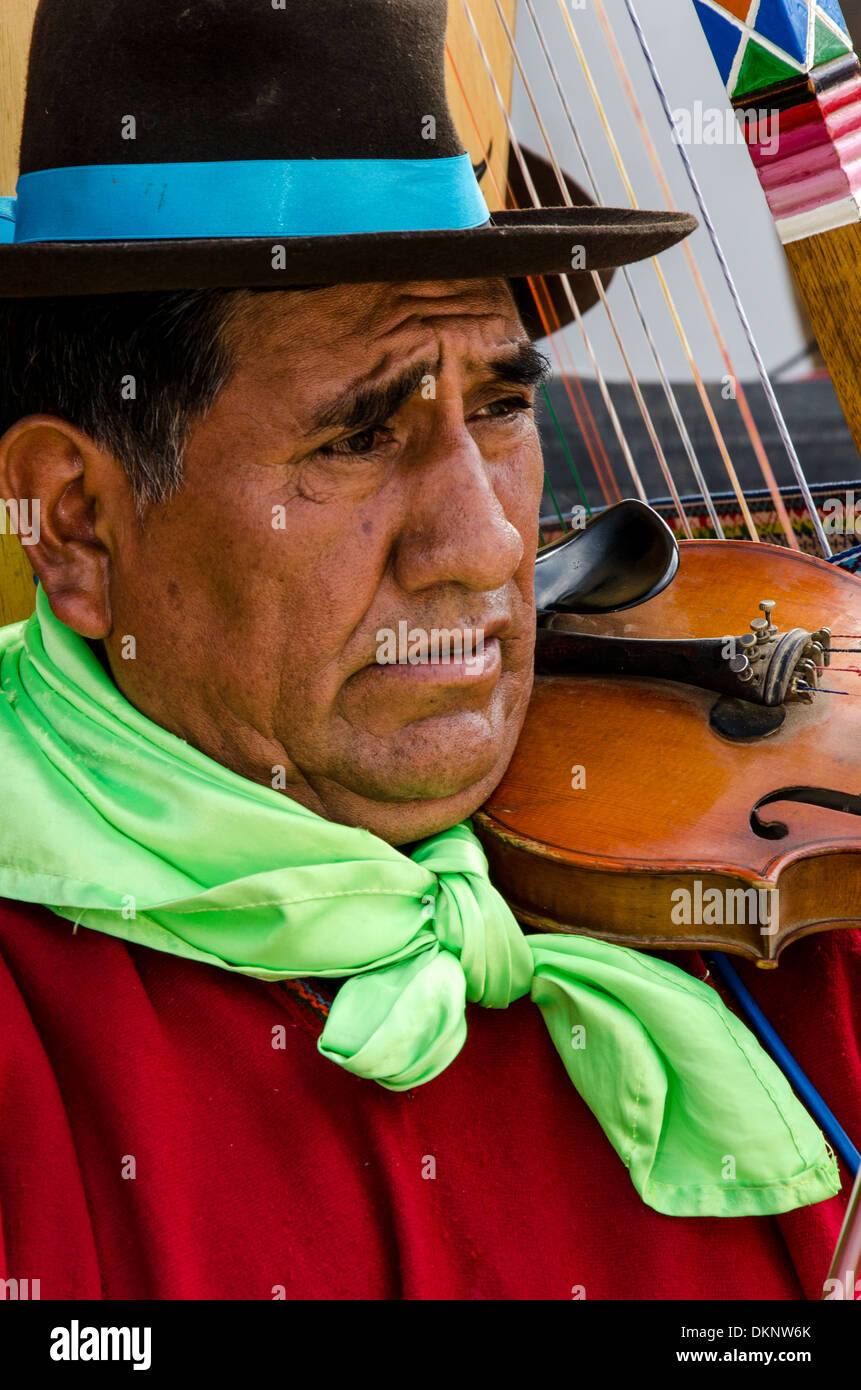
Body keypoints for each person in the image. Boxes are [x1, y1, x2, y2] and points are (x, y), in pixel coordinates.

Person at [0, 0, 857, 1302]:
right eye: (358, 434)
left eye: (503, 406)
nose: (480, 542)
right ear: (75, 521)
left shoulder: (772, 893)